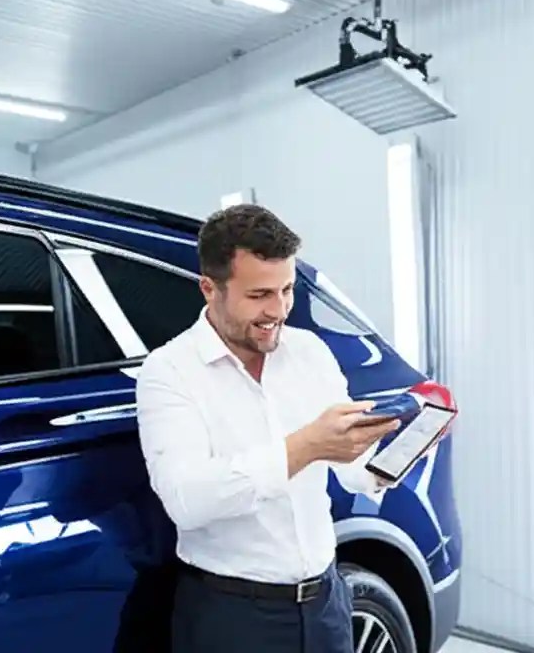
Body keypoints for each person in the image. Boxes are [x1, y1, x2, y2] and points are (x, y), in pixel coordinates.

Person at [134, 203, 401, 653]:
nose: (278, 310)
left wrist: (398, 452)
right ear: (209, 289)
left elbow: (355, 471)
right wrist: (306, 445)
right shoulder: (169, 372)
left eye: (287, 290)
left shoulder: (310, 352)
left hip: (326, 606)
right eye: (259, 295)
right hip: (233, 619)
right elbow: (187, 500)